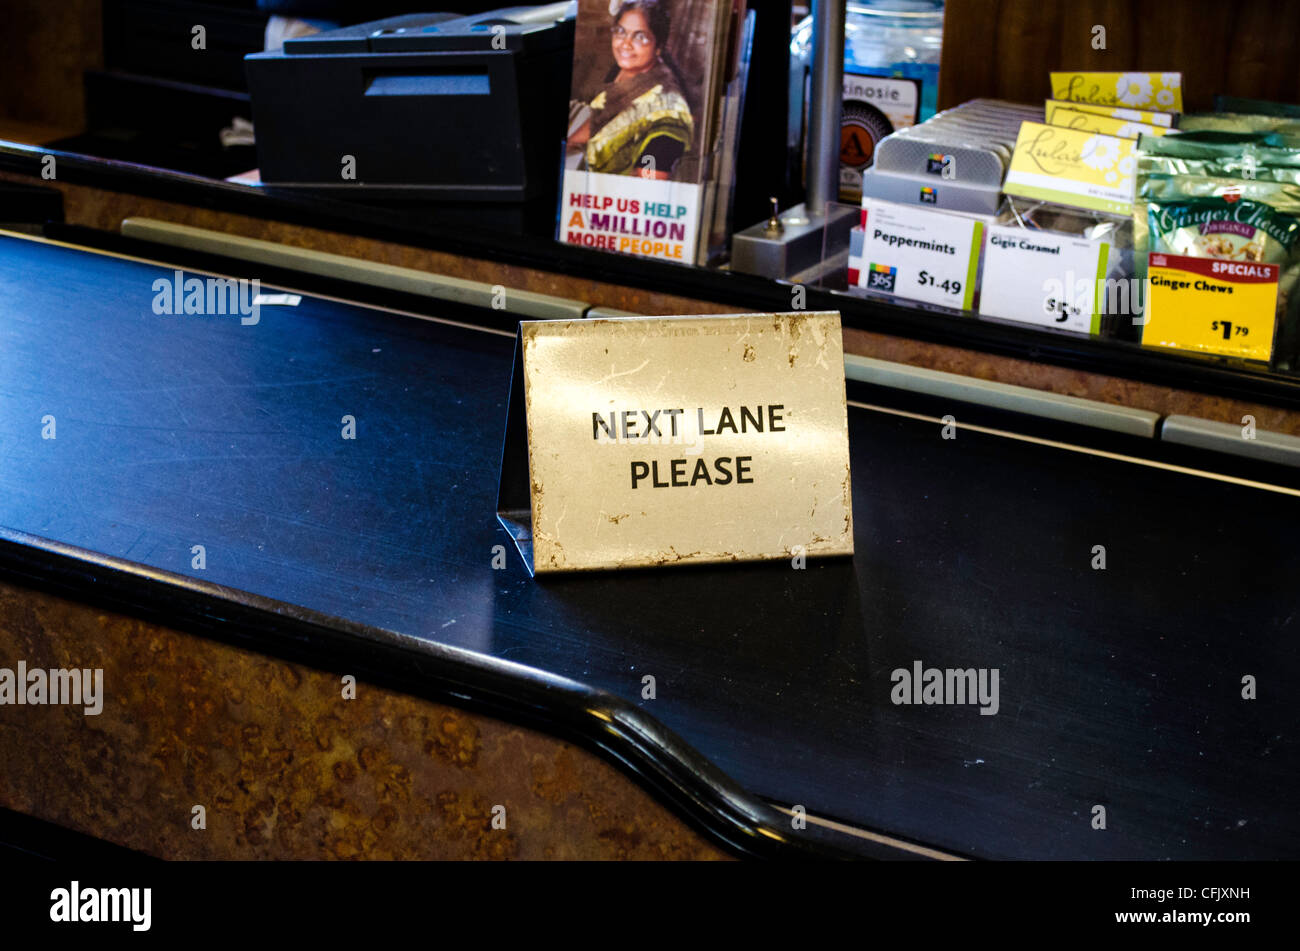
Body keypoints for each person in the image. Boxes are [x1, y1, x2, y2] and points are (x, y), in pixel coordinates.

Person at [567, 0, 694, 180]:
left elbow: (649, 185)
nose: (625, 44)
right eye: (620, 32)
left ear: (658, 47)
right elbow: (602, 115)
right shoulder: (624, 74)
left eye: (640, 36)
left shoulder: (666, 118)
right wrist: (570, 143)